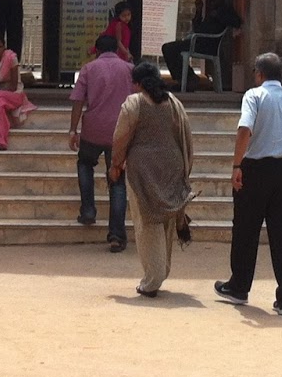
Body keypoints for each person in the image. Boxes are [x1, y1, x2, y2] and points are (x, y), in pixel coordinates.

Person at [214, 51, 282, 317]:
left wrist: (237, 165)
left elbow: (245, 129)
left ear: (259, 73)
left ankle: (239, 286)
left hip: (256, 168)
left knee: (246, 228)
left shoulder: (254, 96)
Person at [110, 61, 194, 298]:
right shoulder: (174, 103)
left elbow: (120, 137)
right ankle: (162, 271)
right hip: (172, 166)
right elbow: (185, 136)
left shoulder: (134, 103)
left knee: (147, 222)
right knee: (166, 219)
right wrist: (185, 169)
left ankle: (152, 279)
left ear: (136, 83)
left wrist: (116, 165)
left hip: (142, 171)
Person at [68, 33, 132, 252]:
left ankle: (88, 210)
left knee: (85, 164)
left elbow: (78, 100)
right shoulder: (129, 69)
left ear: (96, 50)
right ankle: (116, 235)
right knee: (118, 180)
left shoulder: (88, 69)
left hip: (93, 130)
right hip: (121, 132)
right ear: (117, 50)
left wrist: (72, 130)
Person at [162, 0, 242, 88]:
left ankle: (188, 78)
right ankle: (185, 78)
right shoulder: (212, 11)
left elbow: (237, 22)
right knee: (169, 48)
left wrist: (219, 16)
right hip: (198, 42)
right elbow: (198, 29)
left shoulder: (225, 10)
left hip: (207, 45)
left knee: (169, 48)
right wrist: (199, 11)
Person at [0, 34, 36, 151]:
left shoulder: (11, 58)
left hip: (14, 95)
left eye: (0, 47)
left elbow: (13, 86)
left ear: (4, 47)